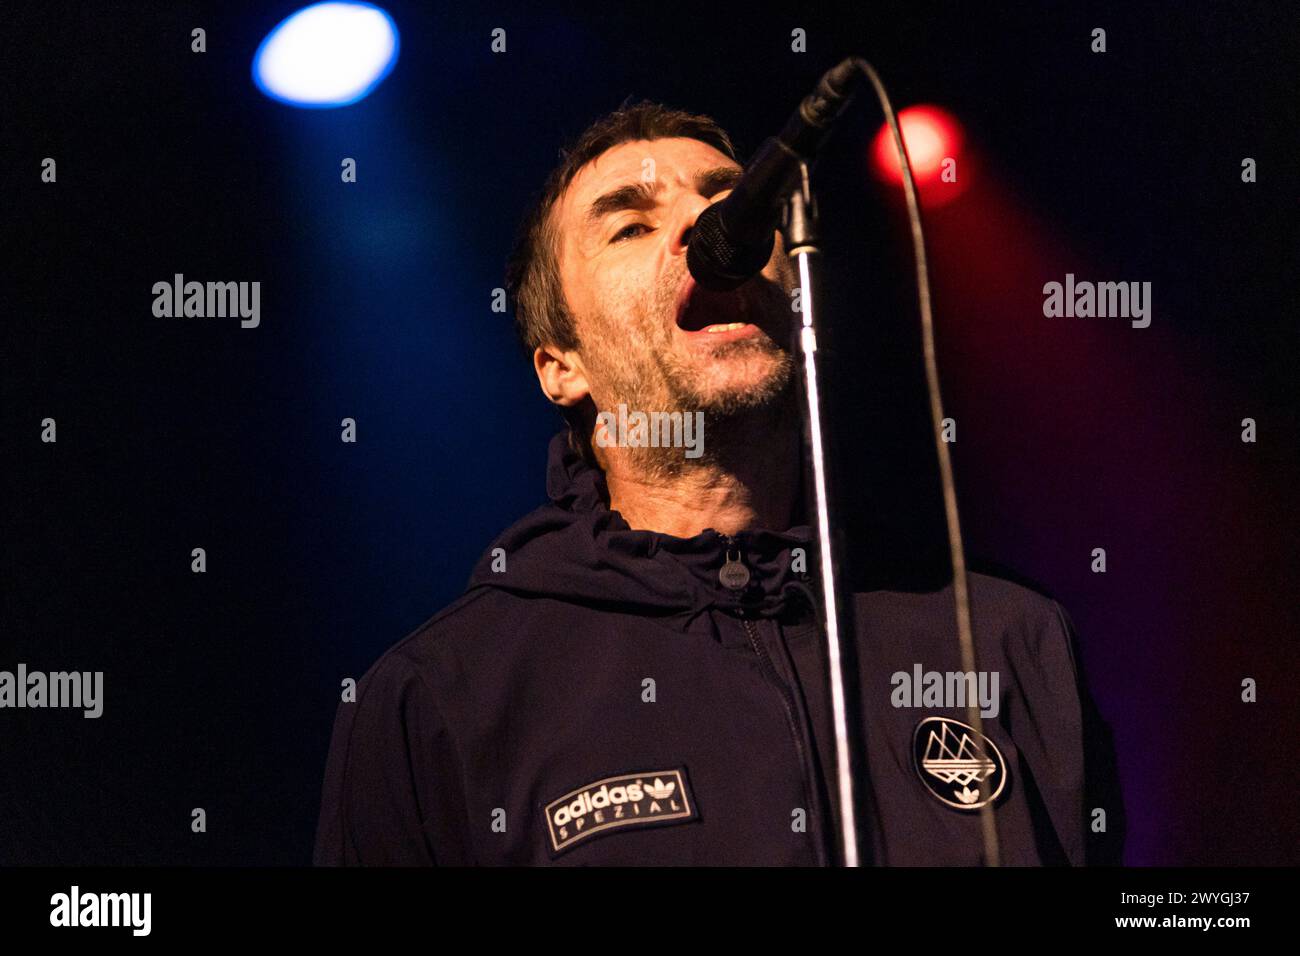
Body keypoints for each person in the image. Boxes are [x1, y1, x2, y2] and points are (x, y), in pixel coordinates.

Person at [313, 101, 1124, 866]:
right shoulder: (445, 699)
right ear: (562, 369)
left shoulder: (1007, 637)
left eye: (727, 200)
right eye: (631, 225)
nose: (702, 231)